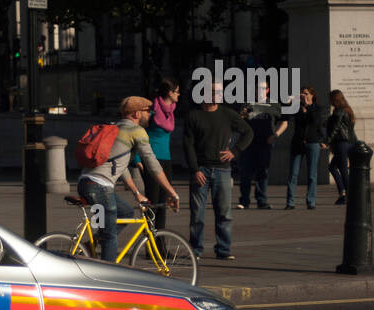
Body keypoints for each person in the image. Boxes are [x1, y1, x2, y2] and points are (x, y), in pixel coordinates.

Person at [78, 96, 180, 263]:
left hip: (86, 183)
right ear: (137, 113)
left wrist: (137, 193)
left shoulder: (115, 128)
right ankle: (108, 281)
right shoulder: (136, 131)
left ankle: (92, 244)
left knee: (126, 212)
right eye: (149, 111)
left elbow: (120, 166)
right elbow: (153, 164)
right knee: (110, 237)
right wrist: (171, 192)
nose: (151, 115)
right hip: (100, 186)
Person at [184, 101, 252, 261]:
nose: (216, 95)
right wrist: (194, 169)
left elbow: (248, 132)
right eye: (212, 91)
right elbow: (188, 145)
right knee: (197, 214)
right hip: (201, 169)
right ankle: (196, 250)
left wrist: (235, 151)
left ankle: (223, 249)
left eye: (219, 91)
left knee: (224, 213)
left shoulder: (228, 114)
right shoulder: (194, 116)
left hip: (223, 169)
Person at [144, 78, 180, 233]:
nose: (179, 95)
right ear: (169, 92)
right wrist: (138, 160)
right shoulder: (151, 109)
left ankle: (160, 245)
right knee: (152, 203)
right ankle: (150, 243)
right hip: (151, 159)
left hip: (166, 160)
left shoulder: (170, 111)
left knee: (163, 203)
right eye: (177, 92)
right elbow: (139, 134)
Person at [236, 104, 287, 209]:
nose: (259, 90)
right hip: (248, 142)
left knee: (263, 172)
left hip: (265, 143)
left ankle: (262, 201)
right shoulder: (247, 103)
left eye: (262, 88)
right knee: (246, 172)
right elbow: (237, 121)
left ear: (267, 89)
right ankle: (244, 201)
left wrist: (275, 135)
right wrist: (242, 115)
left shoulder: (274, 105)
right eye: (257, 88)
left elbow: (285, 122)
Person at [286, 86, 325, 209]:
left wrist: (308, 107)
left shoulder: (318, 108)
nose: (304, 95)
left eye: (306, 93)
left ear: (312, 95)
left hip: (312, 142)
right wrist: (289, 102)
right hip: (297, 142)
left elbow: (316, 122)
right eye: (302, 93)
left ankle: (311, 201)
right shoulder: (296, 108)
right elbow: (285, 116)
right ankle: (290, 202)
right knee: (293, 173)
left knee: (312, 174)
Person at [325, 89, 356, 205]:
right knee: (334, 167)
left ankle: (347, 195)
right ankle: (343, 193)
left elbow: (336, 128)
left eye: (330, 99)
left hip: (341, 143)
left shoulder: (339, 112)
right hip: (349, 143)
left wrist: (327, 141)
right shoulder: (348, 110)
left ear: (334, 99)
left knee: (342, 170)